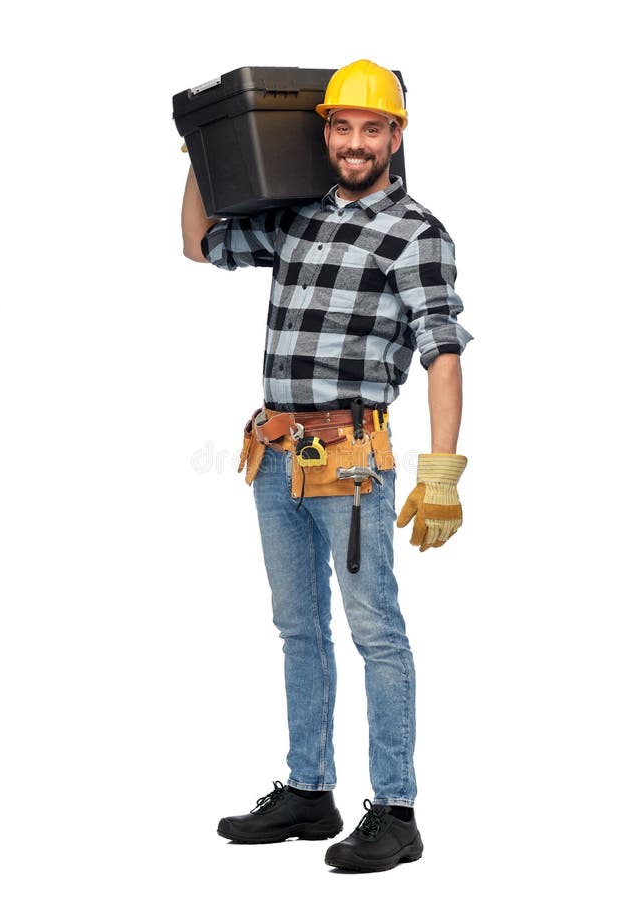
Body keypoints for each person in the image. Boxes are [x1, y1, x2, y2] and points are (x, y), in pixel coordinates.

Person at [181, 59, 473, 873]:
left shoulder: (418, 233)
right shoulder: (300, 217)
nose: (354, 142)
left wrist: (441, 471)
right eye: (340, 127)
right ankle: (310, 790)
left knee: (375, 630)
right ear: (325, 133)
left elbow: (442, 354)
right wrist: (200, 154)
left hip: (350, 463)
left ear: (395, 136)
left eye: (370, 128)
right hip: (274, 456)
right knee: (298, 628)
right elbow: (199, 244)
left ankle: (397, 808)